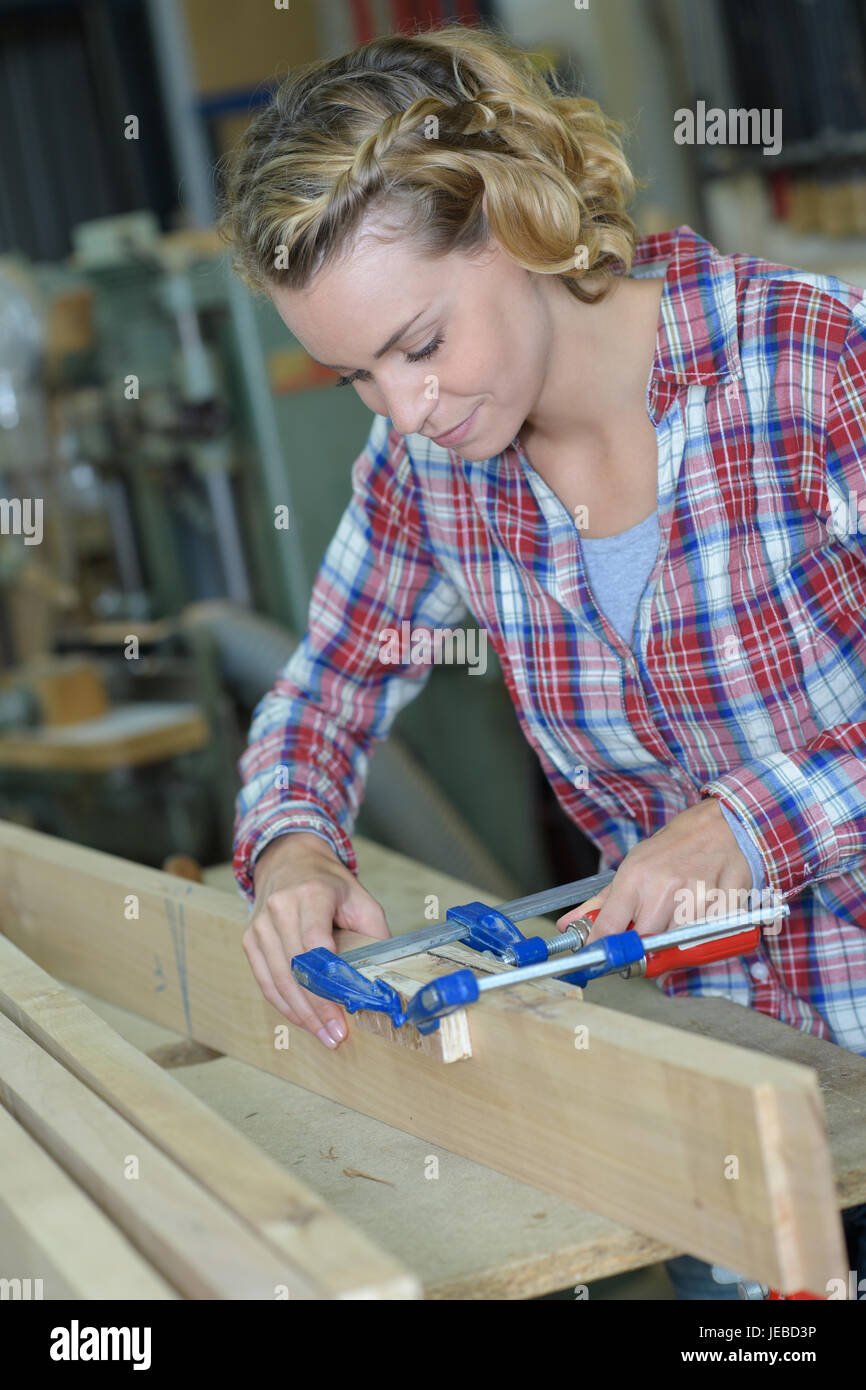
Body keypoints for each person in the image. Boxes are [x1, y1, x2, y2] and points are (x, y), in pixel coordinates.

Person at [217, 23, 866, 1300]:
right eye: (355, 374)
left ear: (515, 219)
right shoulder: (430, 471)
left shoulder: (809, 363)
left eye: (418, 344)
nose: (405, 408)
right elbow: (322, 691)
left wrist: (747, 822)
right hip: (701, 1095)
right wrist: (293, 843)